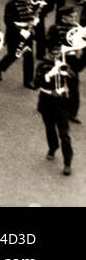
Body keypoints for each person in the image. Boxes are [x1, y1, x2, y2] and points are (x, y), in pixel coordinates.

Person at [35, 40, 76, 176]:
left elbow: (74, 79)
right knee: (50, 128)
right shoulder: (42, 66)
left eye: (58, 53)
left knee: (64, 134)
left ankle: (67, 163)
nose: (55, 56)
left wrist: (68, 72)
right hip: (46, 101)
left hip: (62, 103)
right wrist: (49, 75)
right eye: (53, 53)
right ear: (48, 53)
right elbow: (36, 84)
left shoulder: (64, 64)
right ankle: (52, 148)